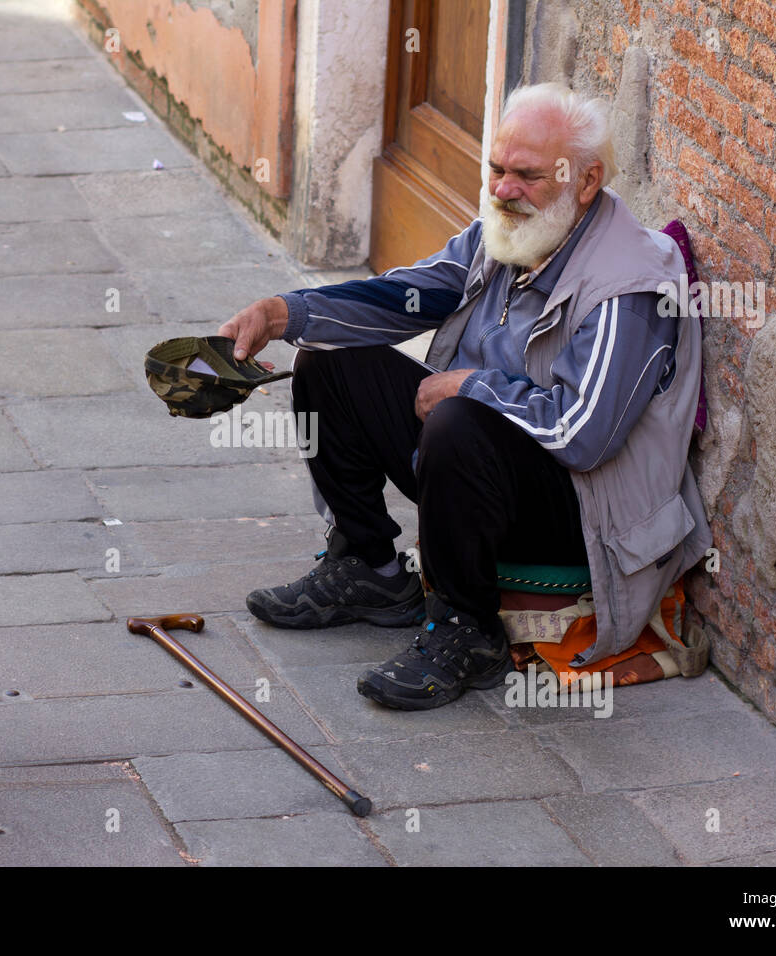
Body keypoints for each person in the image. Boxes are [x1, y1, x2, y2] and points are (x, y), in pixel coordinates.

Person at [218, 82, 713, 711]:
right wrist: (283, 313)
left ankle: (466, 629)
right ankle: (369, 566)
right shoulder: (508, 234)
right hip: (473, 466)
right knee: (332, 363)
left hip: (585, 511)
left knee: (458, 418)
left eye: (527, 176)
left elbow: (584, 435)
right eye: (497, 170)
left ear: (586, 183)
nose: (504, 190)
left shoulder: (629, 287)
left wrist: (472, 387)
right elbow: (407, 295)